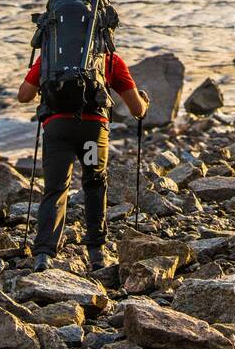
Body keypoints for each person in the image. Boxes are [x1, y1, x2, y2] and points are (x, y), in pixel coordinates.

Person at [17, 46, 149, 272]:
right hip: (92, 131)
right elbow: (136, 109)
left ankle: (43, 255)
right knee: (94, 184)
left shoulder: (51, 56)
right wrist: (144, 103)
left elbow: (24, 96)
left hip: (58, 129)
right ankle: (96, 254)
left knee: (56, 189)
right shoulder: (110, 59)